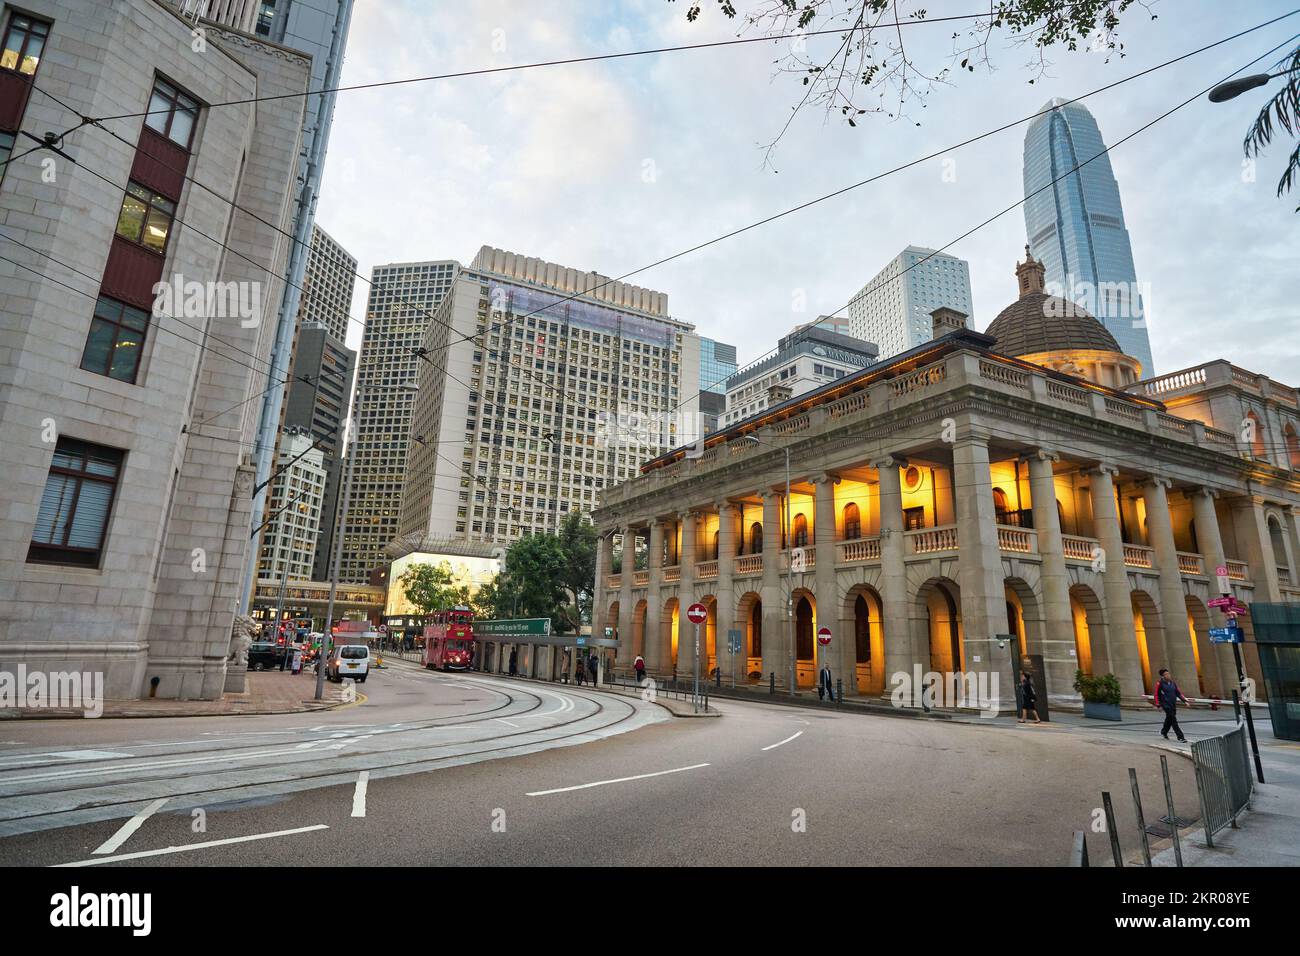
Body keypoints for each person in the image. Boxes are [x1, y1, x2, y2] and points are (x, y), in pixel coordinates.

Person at [1153, 668, 1192, 742]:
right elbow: (1156, 695)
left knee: (1169, 719)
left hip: (1173, 704)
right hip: (1166, 705)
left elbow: (1178, 693)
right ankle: (1180, 737)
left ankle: (1164, 732)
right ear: (1162, 676)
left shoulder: (1173, 683)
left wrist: (1185, 701)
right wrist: (1158, 705)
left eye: (1168, 674)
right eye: (1166, 674)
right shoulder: (1160, 684)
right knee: (1174, 721)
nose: (1168, 675)